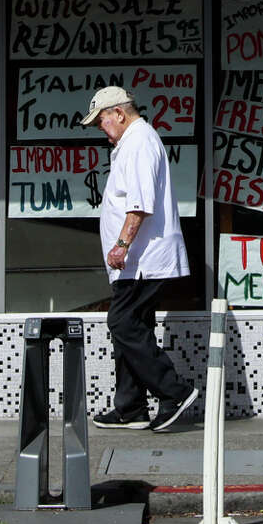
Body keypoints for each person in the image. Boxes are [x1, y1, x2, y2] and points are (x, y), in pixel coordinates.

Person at [81, 85, 199, 433]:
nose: (102, 130)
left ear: (119, 113)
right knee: (133, 327)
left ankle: (174, 392)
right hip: (135, 261)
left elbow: (140, 203)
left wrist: (121, 245)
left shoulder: (139, 142)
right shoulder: (129, 144)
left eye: (102, 121)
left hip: (143, 259)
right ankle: (130, 407)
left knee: (122, 323)